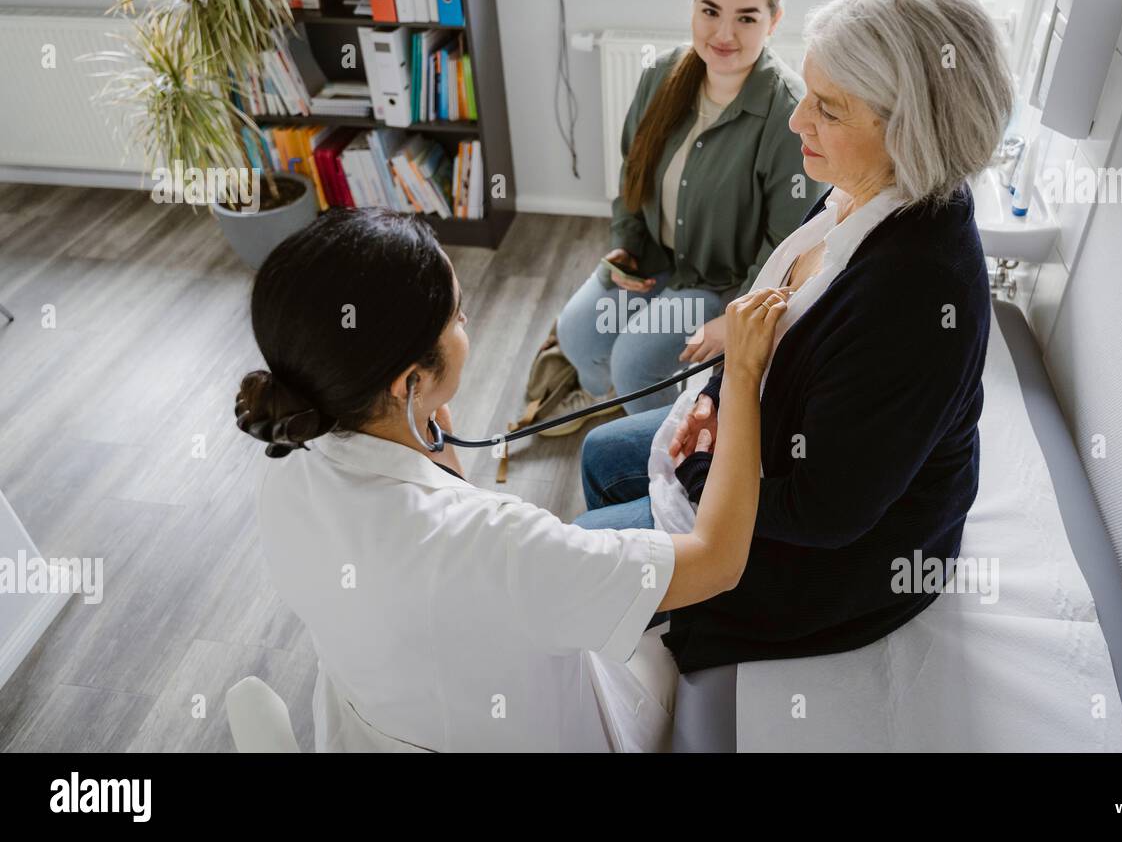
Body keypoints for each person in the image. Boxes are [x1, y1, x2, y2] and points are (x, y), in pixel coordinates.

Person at [575, 0, 1016, 681]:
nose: (796, 120)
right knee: (600, 455)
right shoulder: (858, 190)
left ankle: (632, 645)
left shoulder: (914, 300)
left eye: (829, 108)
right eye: (809, 93)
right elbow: (767, 312)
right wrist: (718, 396)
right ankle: (630, 631)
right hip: (764, 431)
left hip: (827, 556)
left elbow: (826, 514)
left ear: (911, 131)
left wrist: (698, 464)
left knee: (573, 567)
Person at [234, 208, 788, 752]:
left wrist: (436, 462)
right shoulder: (499, 544)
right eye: (456, 316)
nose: (466, 324)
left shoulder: (286, 477)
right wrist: (740, 374)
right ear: (410, 382)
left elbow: (424, 572)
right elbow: (718, 561)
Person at [549, 0, 823, 431]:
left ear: (774, 21)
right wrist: (625, 247)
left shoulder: (786, 111)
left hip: (723, 283)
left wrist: (734, 323)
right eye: (710, 11)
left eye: (746, 18)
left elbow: (787, 246)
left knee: (634, 362)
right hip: (654, 260)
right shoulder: (661, 74)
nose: (723, 33)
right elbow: (631, 174)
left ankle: (659, 457)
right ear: (693, 6)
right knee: (577, 335)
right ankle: (611, 403)